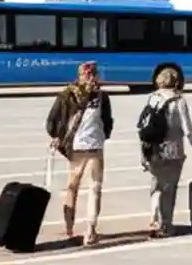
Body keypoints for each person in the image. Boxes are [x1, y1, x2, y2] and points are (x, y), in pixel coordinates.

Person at [45, 61, 113, 246]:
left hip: (76, 147)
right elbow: (108, 122)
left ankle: (69, 228)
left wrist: (58, 136)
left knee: (72, 186)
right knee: (95, 188)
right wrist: (102, 135)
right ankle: (90, 230)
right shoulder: (101, 96)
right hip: (94, 146)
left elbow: (51, 121)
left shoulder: (67, 94)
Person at [143, 67, 192, 237]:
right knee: (169, 189)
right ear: (176, 82)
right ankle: (166, 224)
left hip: (153, 150)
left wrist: (143, 153)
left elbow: (145, 126)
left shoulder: (152, 98)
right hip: (173, 151)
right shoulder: (179, 101)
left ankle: (153, 218)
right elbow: (188, 130)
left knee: (156, 185)